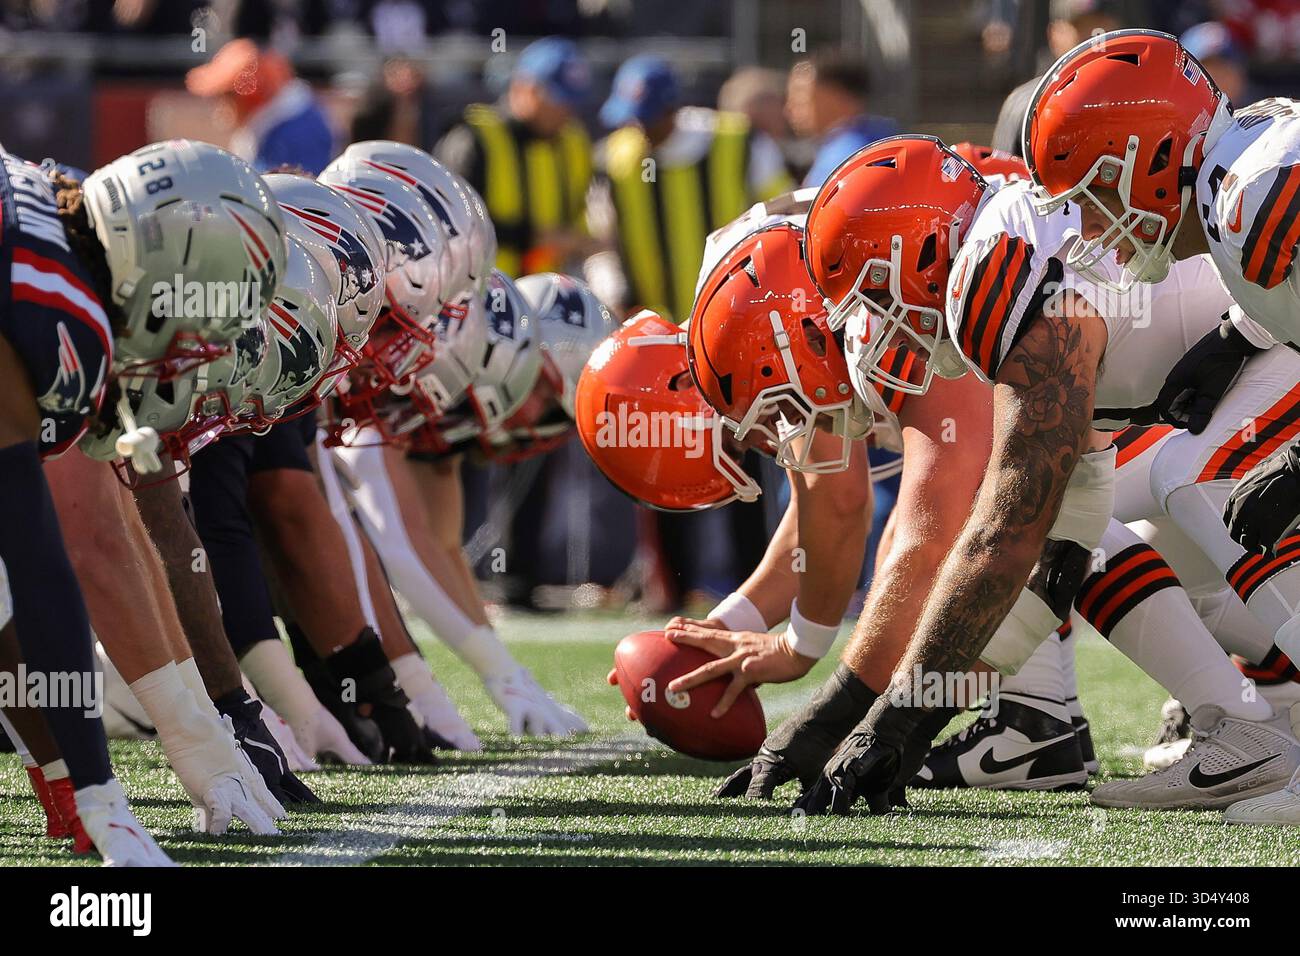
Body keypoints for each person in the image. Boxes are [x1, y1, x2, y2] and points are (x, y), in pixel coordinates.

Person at [1024, 27, 1300, 823]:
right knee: (1195, 474)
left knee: (1201, 476)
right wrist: (1235, 337)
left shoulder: (1252, 196)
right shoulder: (1236, 179)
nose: (1086, 219)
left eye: (1090, 188)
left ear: (1143, 158)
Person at [436, 37, 593, 278]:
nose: (565, 111)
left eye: (571, 101)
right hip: (484, 295)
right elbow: (450, 224)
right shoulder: (475, 138)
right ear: (523, 88)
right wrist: (531, 237)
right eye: (556, 100)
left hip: (549, 299)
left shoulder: (573, 140)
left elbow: (578, 214)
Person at [185, 37, 335, 176]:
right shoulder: (279, 126)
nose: (220, 108)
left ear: (249, 94)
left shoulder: (295, 136)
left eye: (227, 96)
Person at [786, 50, 899, 188]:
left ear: (839, 98)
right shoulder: (885, 139)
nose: (789, 109)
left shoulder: (850, 155)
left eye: (801, 99)